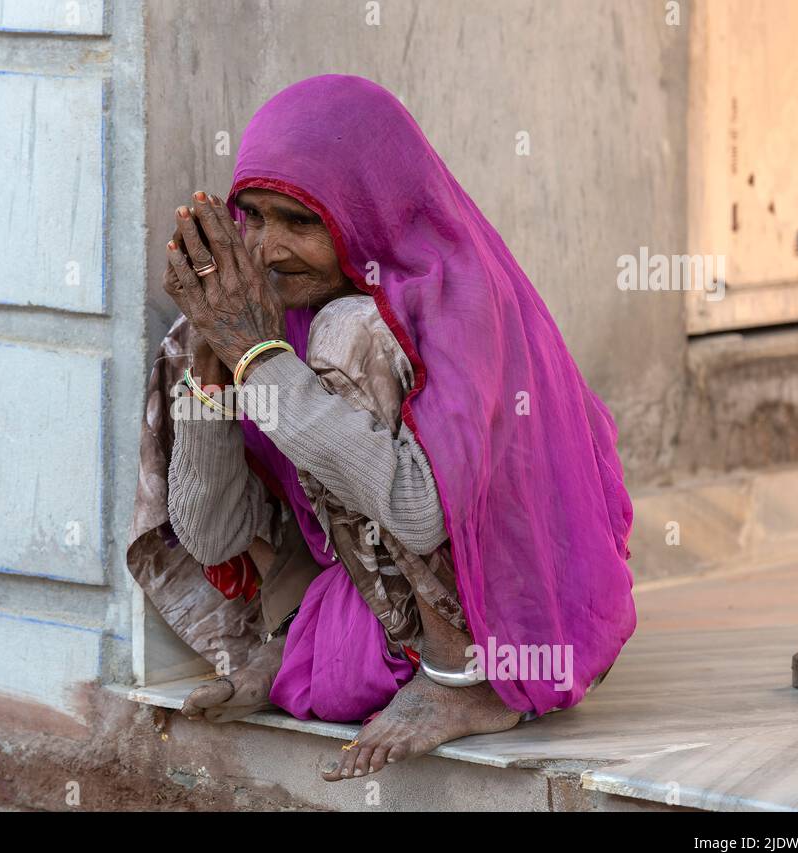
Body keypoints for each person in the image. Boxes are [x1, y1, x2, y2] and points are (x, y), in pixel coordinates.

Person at [125, 74, 636, 782]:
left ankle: (464, 677)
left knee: (343, 335)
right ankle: (289, 632)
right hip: (378, 594)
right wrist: (217, 360)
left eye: (300, 222)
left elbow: (422, 513)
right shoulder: (275, 304)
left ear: (369, 210)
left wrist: (261, 360)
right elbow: (212, 536)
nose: (268, 248)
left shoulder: (453, 297)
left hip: (516, 605)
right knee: (191, 340)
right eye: (254, 217)